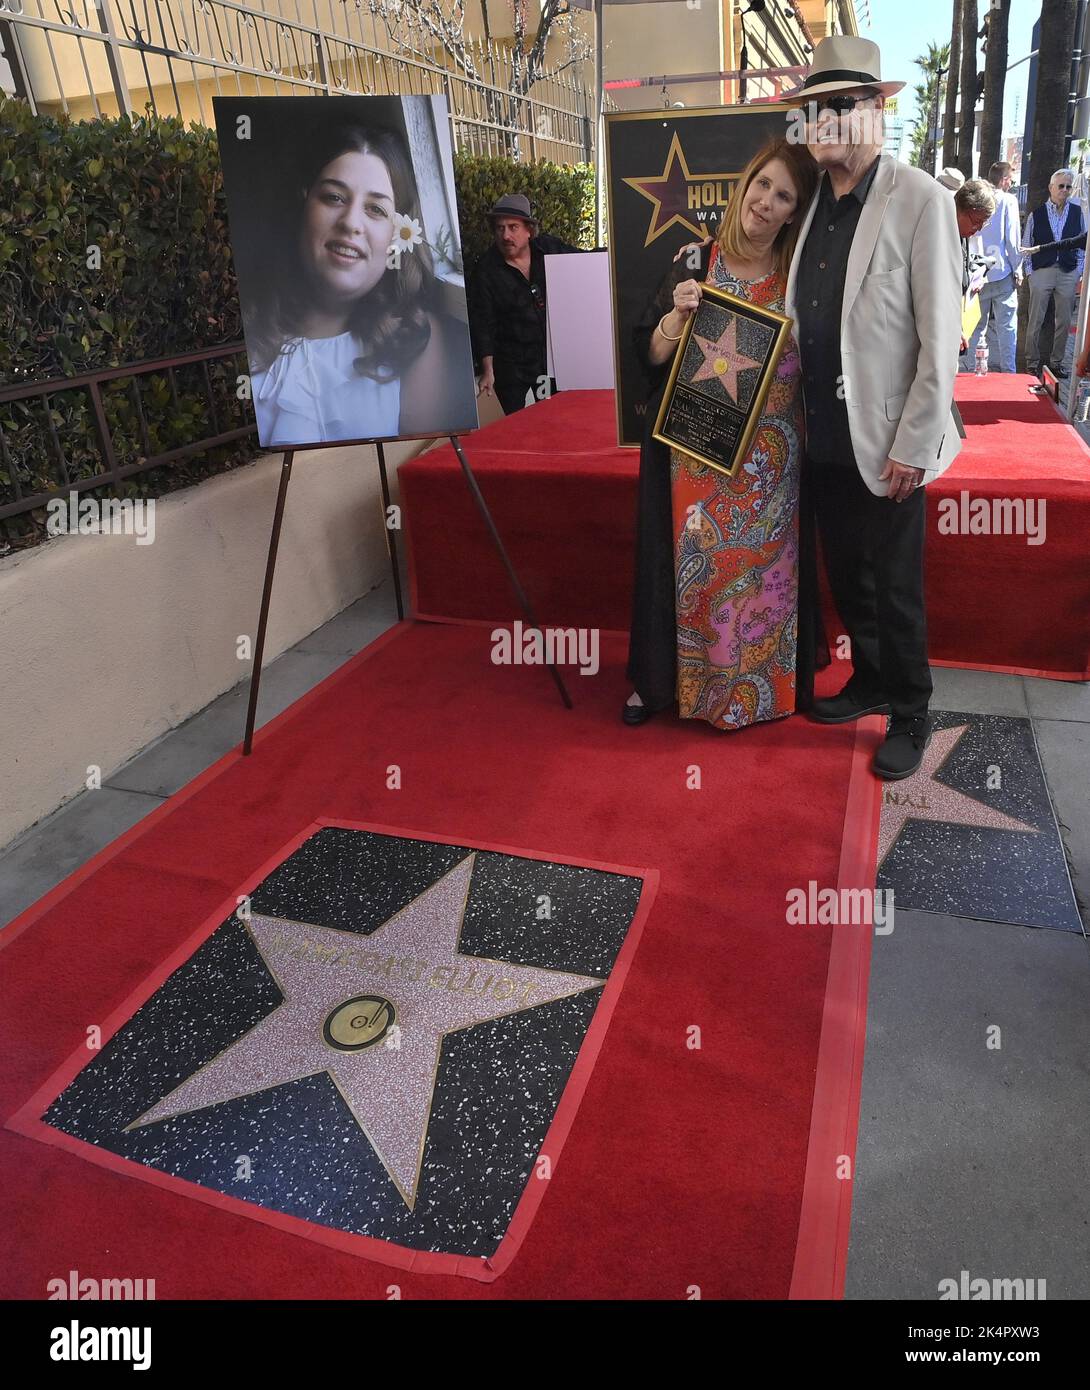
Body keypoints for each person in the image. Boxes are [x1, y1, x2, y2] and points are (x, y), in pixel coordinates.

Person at [784, 35, 963, 780]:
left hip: (890, 436)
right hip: (821, 431)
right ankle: (869, 681)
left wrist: (915, 443)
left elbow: (940, 338)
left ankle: (912, 711)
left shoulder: (920, 198)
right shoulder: (810, 204)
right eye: (815, 108)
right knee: (847, 574)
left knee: (894, 585)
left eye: (843, 104)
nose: (826, 120)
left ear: (875, 111)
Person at [623, 137, 820, 730]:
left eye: (783, 195)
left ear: (794, 212)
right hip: (696, 457)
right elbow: (651, 355)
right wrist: (674, 318)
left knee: (762, 582)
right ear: (744, 185)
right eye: (762, 184)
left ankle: (767, 693)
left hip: (773, 471)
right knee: (698, 580)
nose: (766, 201)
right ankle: (671, 687)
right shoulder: (692, 260)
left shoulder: (799, 277)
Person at [244, 122, 476, 446]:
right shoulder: (248, 319)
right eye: (334, 197)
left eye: (375, 209)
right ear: (305, 202)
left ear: (397, 236)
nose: (351, 222)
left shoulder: (414, 340)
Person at [466, 195, 582, 415]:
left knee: (552, 415)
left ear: (529, 230)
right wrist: (487, 370)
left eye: (513, 227)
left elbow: (582, 262)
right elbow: (483, 322)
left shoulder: (548, 249)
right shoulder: (486, 270)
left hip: (546, 362)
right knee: (512, 424)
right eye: (500, 228)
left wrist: (615, 255)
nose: (506, 235)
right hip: (510, 366)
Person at [1025, 169, 1086, 378]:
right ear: (1051, 188)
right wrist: (1029, 273)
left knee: (1065, 320)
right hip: (1042, 270)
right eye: (1061, 186)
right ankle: (1031, 363)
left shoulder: (1077, 213)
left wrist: (1078, 271)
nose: (1065, 190)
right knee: (1036, 319)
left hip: (1068, 271)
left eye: (1068, 186)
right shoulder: (1037, 213)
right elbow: (1027, 244)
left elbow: (1082, 244)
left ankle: (1056, 363)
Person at [967, 161, 1024, 373]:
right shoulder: (1008, 200)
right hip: (1001, 269)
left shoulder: (979, 197)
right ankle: (1009, 371)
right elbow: (1012, 238)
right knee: (1006, 325)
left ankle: (972, 370)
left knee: (976, 326)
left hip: (978, 269)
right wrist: (1017, 268)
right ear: (1005, 180)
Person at [954, 180, 997, 368]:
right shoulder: (940, 236)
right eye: (977, 221)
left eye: (983, 224)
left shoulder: (963, 236)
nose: (979, 228)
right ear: (962, 210)